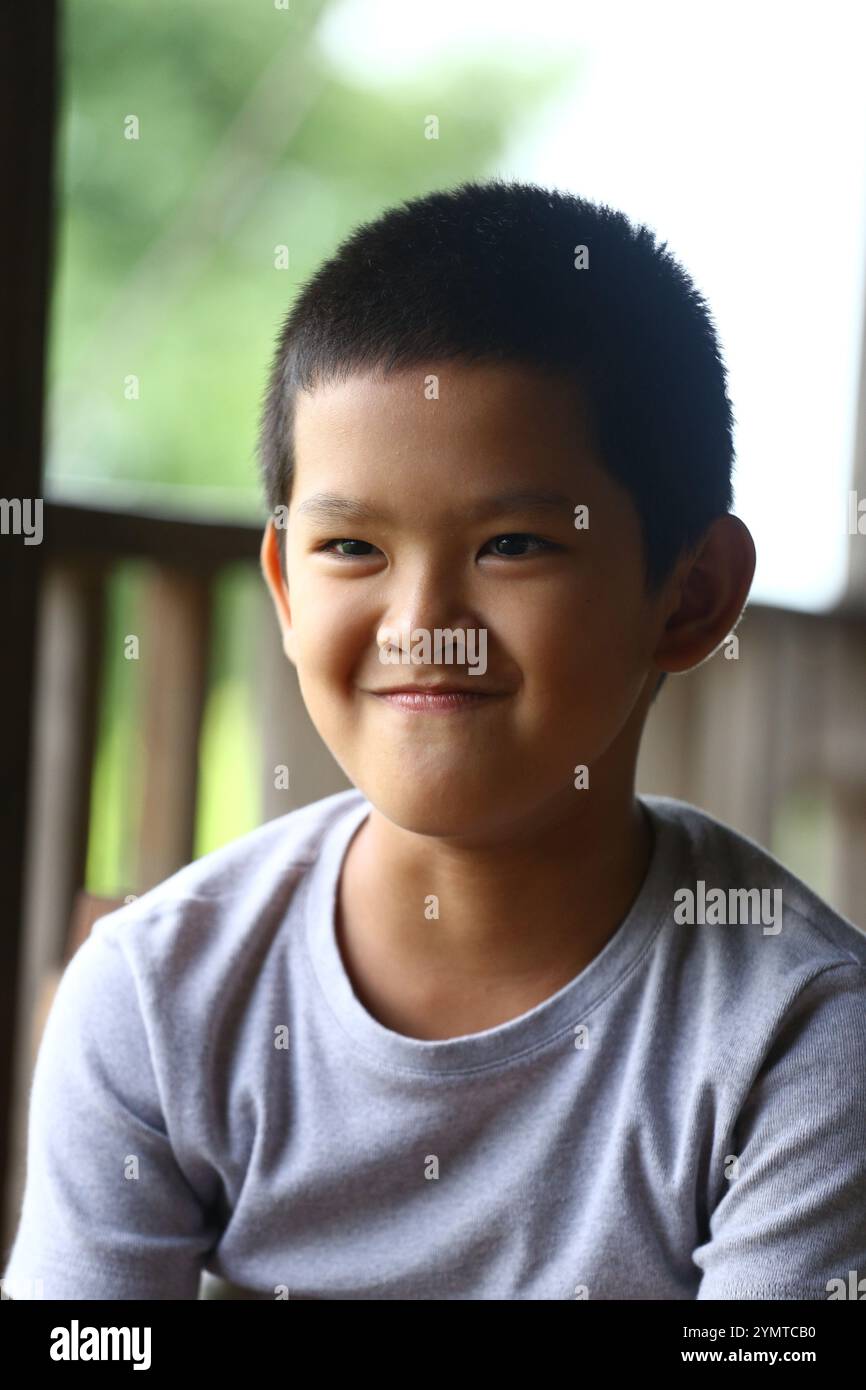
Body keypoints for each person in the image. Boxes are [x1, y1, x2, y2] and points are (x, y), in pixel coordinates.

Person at [4, 180, 865, 1300]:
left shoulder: (795, 1038)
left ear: (691, 594)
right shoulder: (157, 996)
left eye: (511, 543)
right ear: (282, 586)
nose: (423, 629)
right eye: (352, 548)